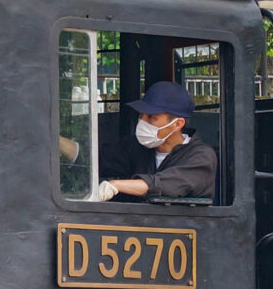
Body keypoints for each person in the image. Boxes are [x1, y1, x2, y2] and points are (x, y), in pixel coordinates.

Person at [60, 80, 218, 202]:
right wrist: (55, 141)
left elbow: (167, 184)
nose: (142, 121)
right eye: (141, 115)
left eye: (152, 117)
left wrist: (115, 185)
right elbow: (94, 159)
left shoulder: (201, 156)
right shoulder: (137, 147)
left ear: (177, 124)